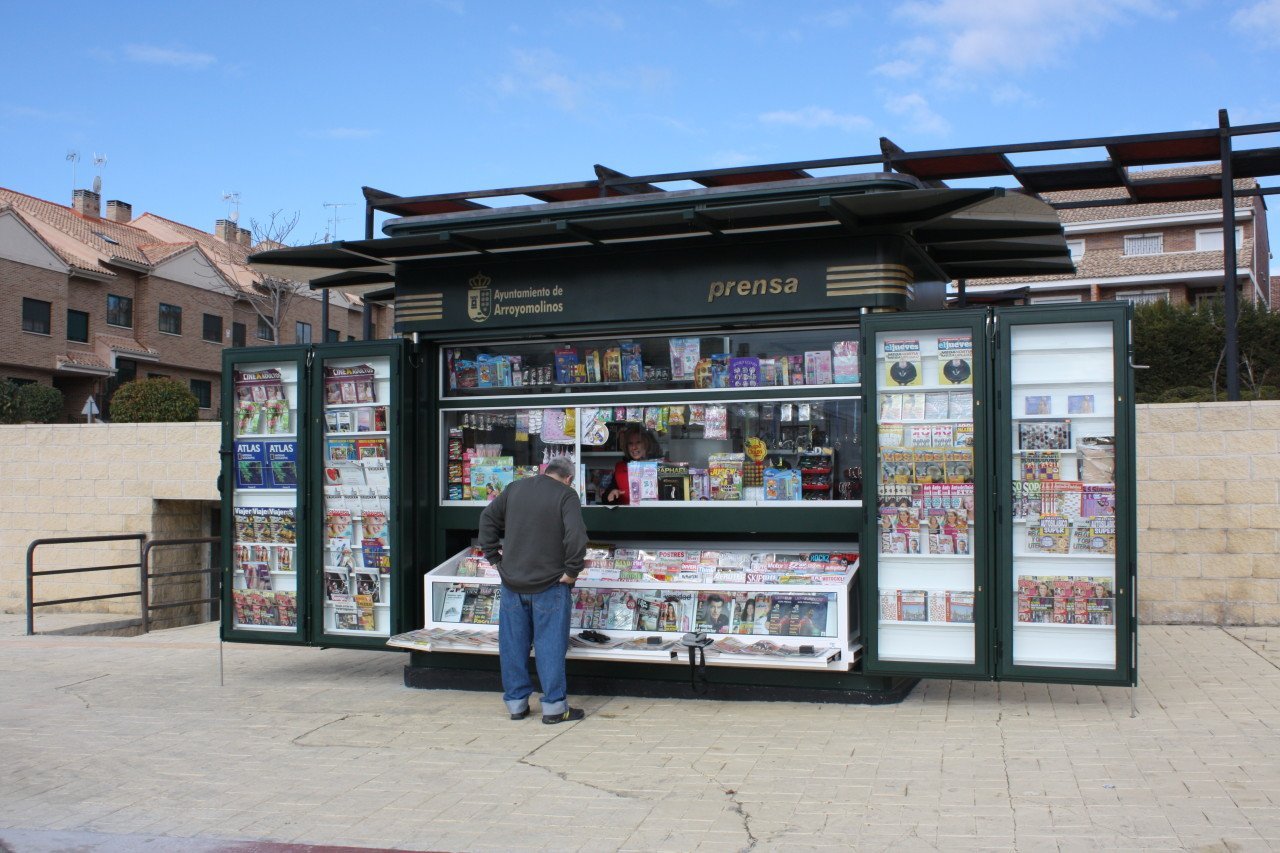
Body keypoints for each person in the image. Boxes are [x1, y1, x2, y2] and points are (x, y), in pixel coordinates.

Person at [478, 456, 589, 724]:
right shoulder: (566, 495)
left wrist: (494, 558)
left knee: (513, 646)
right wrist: (572, 571)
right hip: (551, 584)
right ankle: (553, 708)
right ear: (569, 478)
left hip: (512, 584)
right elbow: (576, 535)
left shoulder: (515, 488)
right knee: (550, 647)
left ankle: (516, 705)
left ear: (545, 471)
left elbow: (487, 519)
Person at [604, 426, 662, 504]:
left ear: (647, 444)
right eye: (630, 444)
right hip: (628, 515)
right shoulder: (621, 468)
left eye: (638, 442)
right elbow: (607, 497)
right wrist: (611, 494)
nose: (634, 447)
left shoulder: (661, 465)